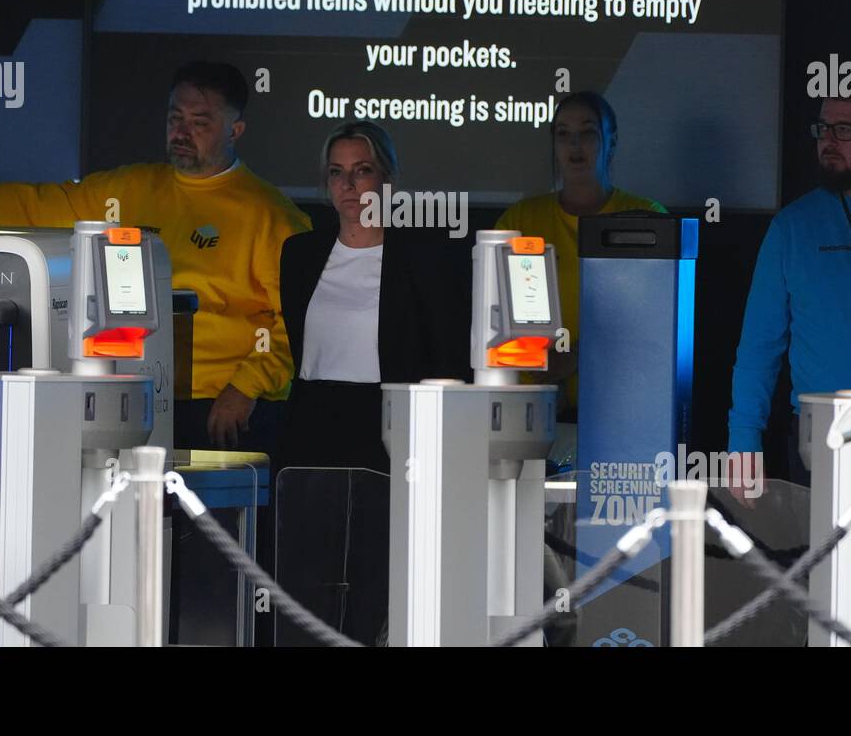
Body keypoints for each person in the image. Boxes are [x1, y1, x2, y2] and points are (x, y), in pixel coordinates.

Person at [0, 60, 311, 456]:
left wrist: (245, 388)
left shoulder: (270, 215)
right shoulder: (132, 187)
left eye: (200, 122)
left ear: (235, 130)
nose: (182, 132)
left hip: (222, 406)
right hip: (136, 393)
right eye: (175, 118)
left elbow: (299, 321)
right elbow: (39, 206)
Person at [274, 122, 471, 645]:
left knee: (375, 576)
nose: (349, 186)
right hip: (313, 422)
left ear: (388, 179)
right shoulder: (299, 254)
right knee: (306, 572)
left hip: (389, 426)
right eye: (337, 173)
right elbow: (299, 346)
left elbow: (447, 355)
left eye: (362, 171)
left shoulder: (425, 258)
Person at [728, 94, 851, 487]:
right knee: (824, 549)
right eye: (823, 129)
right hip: (821, 437)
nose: (829, 140)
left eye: (845, 130)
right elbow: (759, 346)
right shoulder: (793, 226)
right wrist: (743, 440)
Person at [495, 90, 666, 420]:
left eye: (587, 132)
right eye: (563, 134)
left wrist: (577, 356)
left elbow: (654, 327)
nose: (575, 146)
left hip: (625, 407)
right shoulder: (520, 221)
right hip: (537, 409)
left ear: (611, 142)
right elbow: (499, 324)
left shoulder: (647, 217)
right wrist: (545, 369)